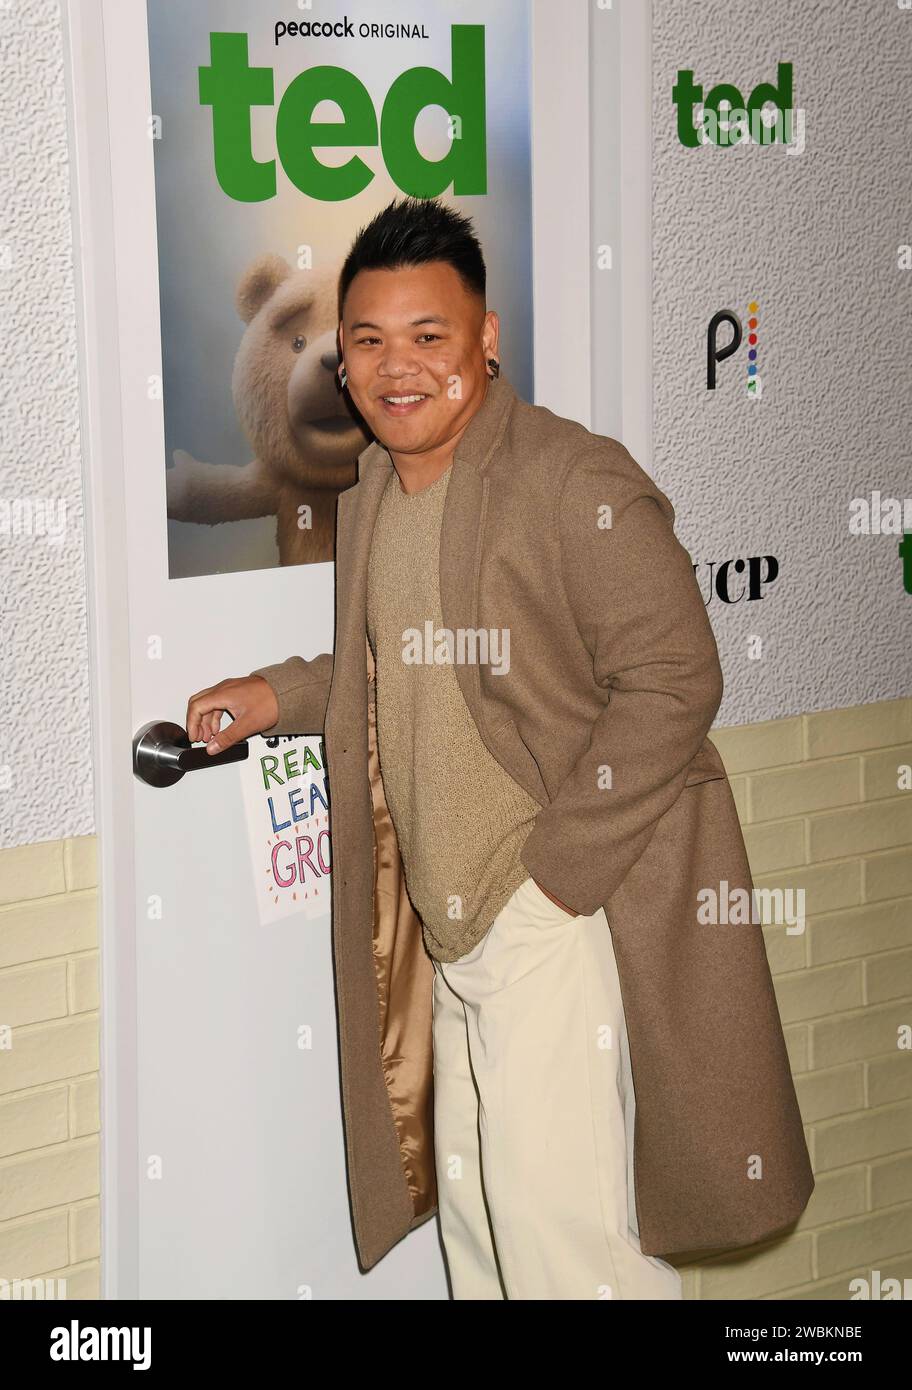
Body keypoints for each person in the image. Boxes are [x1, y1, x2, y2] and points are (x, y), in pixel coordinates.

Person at [186, 196, 813, 1300]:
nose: (396, 368)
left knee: (573, 1260)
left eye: (429, 336)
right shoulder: (378, 486)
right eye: (368, 341)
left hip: (549, 925)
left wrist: (555, 882)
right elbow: (398, 664)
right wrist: (273, 693)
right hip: (455, 933)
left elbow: (677, 679)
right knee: (481, 1240)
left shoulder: (574, 479)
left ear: (485, 338)